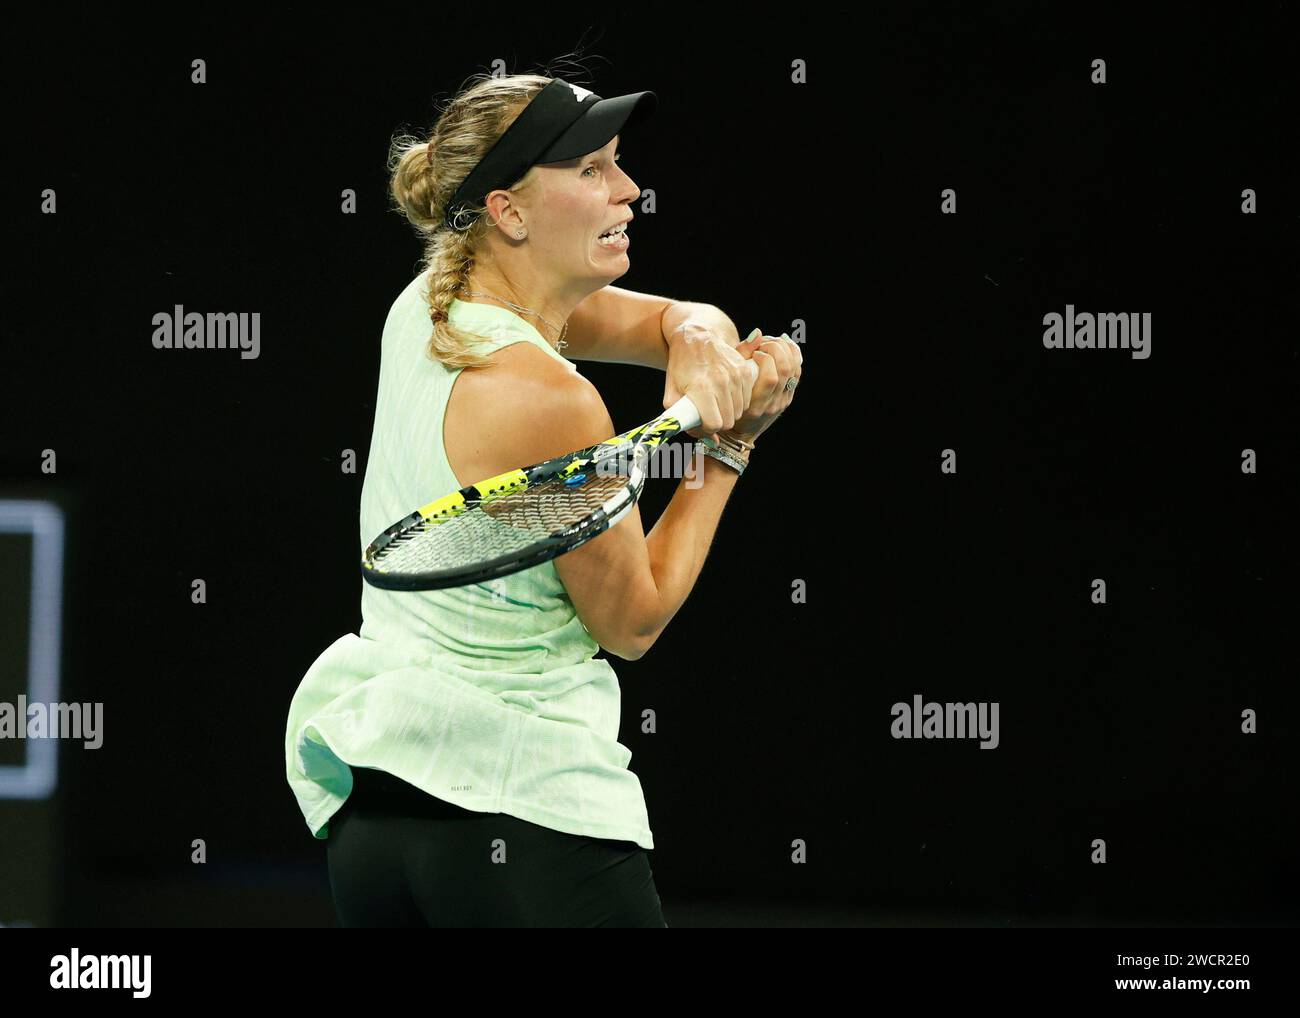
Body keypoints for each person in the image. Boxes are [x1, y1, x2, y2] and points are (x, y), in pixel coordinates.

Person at [283, 71, 803, 927]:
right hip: (526, 834)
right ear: (510, 212)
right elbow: (632, 622)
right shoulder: (554, 402)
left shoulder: (428, 307)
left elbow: (663, 317)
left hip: (379, 828)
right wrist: (728, 448)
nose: (630, 190)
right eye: (593, 170)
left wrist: (698, 335)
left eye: (619, 164)